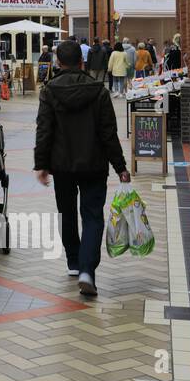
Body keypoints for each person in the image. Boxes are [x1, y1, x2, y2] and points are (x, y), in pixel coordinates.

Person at [34, 40, 131, 297]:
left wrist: (41, 165)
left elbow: (44, 130)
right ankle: (88, 270)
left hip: (62, 166)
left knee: (67, 213)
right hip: (93, 164)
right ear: (82, 62)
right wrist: (120, 166)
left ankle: (74, 263)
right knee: (92, 216)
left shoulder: (49, 91)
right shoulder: (98, 91)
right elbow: (108, 133)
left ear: (57, 63)